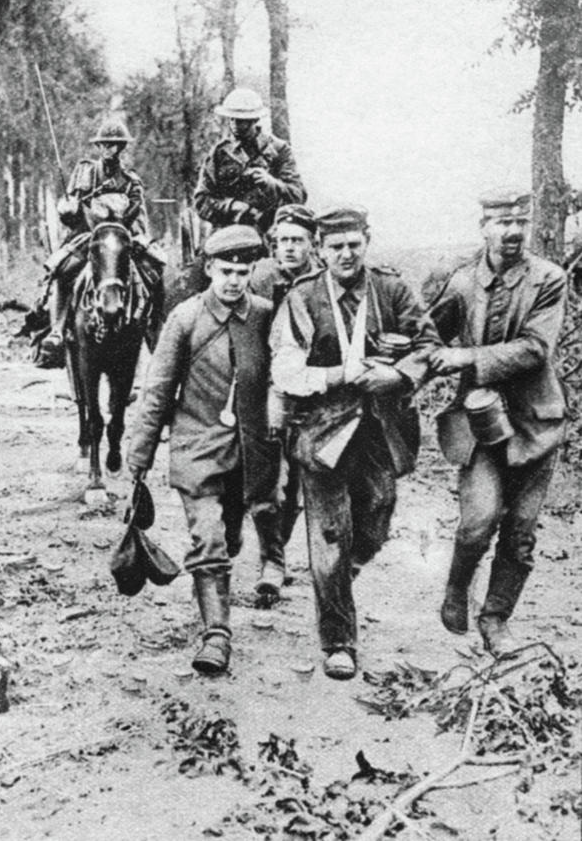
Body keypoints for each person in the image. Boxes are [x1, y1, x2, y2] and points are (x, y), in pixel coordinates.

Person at [269, 206, 438, 679]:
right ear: (321, 250)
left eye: (353, 245)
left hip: (382, 430)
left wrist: (399, 373)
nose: (345, 254)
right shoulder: (302, 298)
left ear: (367, 242)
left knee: (377, 517)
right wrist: (335, 376)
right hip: (322, 431)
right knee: (328, 537)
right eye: (335, 247)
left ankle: (342, 572)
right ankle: (339, 642)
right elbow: (285, 370)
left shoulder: (392, 289)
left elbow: (429, 347)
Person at [127, 225, 282, 675]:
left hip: (251, 454)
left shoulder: (266, 315)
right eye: (226, 271)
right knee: (208, 537)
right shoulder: (185, 318)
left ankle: (224, 559)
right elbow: (157, 390)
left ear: (252, 272)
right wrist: (139, 459)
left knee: (231, 533)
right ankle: (216, 635)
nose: (234, 281)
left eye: (243, 272)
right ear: (209, 268)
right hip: (196, 448)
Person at [428, 190, 567, 658]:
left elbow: (534, 349)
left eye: (519, 222)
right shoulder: (463, 282)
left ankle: (495, 619)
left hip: (536, 424)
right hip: (481, 424)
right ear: (482, 225)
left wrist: (466, 356)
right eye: (501, 222)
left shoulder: (549, 279)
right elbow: (430, 338)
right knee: (477, 522)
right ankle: (456, 586)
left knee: (521, 534)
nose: (512, 231)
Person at [249, 203, 321, 599]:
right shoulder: (258, 277)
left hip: (311, 392)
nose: (290, 248)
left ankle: (277, 553)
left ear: (312, 243)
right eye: (283, 241)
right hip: (264, 390)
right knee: (264, 479)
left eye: (298, 240)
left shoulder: (325, 282)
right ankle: (270, 558)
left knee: (295, 480)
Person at [39, 116, 149, 363]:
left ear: (122, 148)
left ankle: (155, 331)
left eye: (115, 144)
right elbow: (73, 216)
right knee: (60, 270)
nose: (109, 149)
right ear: (98, 147)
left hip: (121, 239)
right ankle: (56, 330)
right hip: (87, 238)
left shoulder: (131, 182)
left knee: (153, 270)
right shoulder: (85, 173)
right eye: (105, 144)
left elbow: (134, 215)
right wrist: (68, 211)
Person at [193, 88, 307, 236]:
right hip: (227, 234)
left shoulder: (279, 149)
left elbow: (298, 196)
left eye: (240, 121)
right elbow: (202, 201)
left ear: (255, 120)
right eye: (231, 119)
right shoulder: (219, 153)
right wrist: (232, 206)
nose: (234, 124)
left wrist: (271, 183)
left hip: (269, 233)